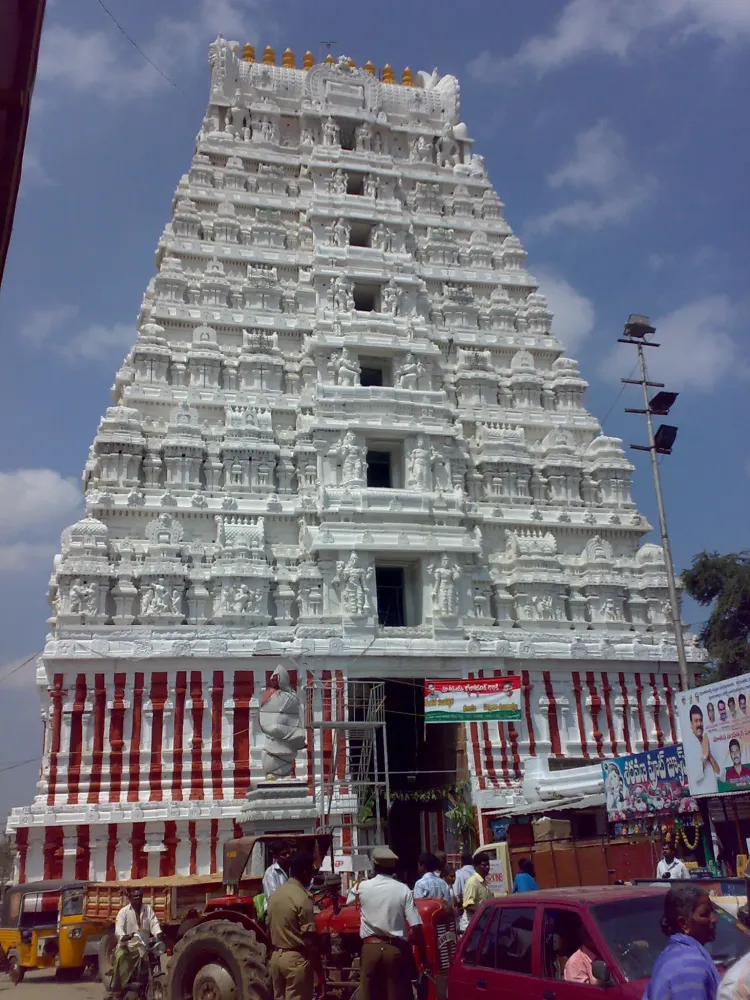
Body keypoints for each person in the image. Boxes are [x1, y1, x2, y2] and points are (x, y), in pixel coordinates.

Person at [357, 845, 429, 1000]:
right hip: (394, 950)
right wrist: (423, 957)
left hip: (370, 949)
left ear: (374, 866)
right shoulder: (403, 889)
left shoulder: (362, 888)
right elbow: (416, 926)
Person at [643, 883, 719, 1000]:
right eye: (705, 914)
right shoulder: (687, 964)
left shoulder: (673, 955)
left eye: (712, 912)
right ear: (684, 924)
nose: (714, 919)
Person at [267, 851, 323, 1000]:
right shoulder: (302, 898)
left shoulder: (275, 896)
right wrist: (320, 974)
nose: (311, 876)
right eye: (311, 872)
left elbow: (269, 928)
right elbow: (310, 941)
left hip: (276, 959)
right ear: (304, 872)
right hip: (295, 960)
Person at [105, 887, 162, 999]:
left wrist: (158, 933)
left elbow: (154, 922)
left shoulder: (147, 910)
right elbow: (118, 929)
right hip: (129, 946)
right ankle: (117, 988)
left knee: (156, 956)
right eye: (135, 896)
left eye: (140, 896)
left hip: (145, 945)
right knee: (120, 956)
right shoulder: (123, 912)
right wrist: (125, 936)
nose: (138, 899)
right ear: (130, 898)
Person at [683, 705, 719, 794]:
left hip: (716, 791)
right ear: (691, 724)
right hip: (701, 795)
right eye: (696, 721)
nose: (699, 724)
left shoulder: (707, 741)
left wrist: (709, 756)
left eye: (700, 720)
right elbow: (695, 776)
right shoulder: (689, 746)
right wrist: (705, 756)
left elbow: (719, 772)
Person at [460, 853, 492, 932]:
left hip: (481, 926)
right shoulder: (472, 882)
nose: (487, 867)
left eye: (488, 865)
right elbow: (468, 905)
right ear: (475, 866)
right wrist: (484, 914)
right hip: (470, 928)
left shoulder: (485, 883)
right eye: (484, 865)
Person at [263, 842, 293, 911]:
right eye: (284, 854)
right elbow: (273, 897)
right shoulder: (270, 872)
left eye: (289, 853)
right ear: (276, 857)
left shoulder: (293, 869)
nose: (288, 856)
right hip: (275, 909)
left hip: (291, 907)